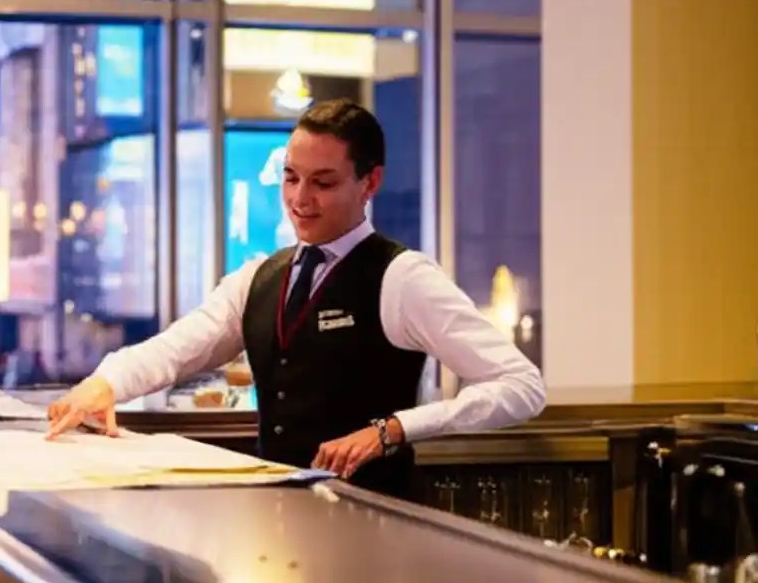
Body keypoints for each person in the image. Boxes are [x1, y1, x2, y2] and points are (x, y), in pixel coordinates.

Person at [46, 100, 546, 500]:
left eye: (323, 182)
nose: (300, 198)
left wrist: (394, 429)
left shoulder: (402, 277)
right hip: (277, 509)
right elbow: (181, 346)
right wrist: (104, 382)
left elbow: (522, 385)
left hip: (375, 518)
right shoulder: (260, 276)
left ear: (369, 182)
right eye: (291, 177)